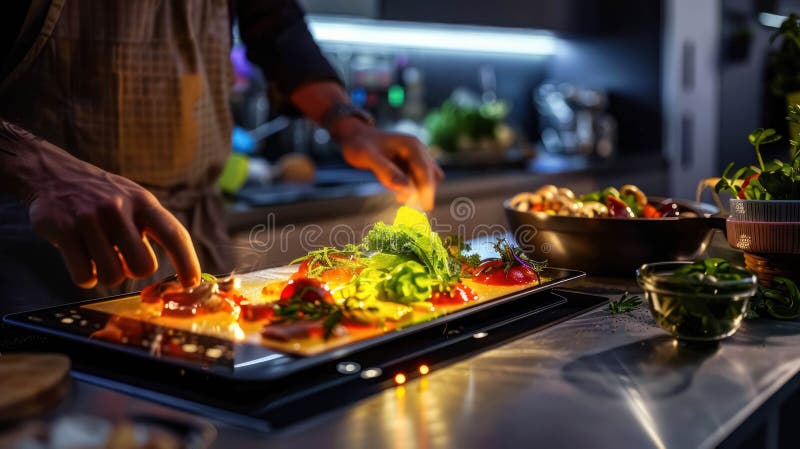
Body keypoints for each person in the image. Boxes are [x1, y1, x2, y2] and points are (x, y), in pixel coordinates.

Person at [0, 1, 443, 313]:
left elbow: (275, 25)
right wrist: (31, 162)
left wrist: (351, 126)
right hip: (45, 251)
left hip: (194, 234)